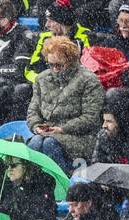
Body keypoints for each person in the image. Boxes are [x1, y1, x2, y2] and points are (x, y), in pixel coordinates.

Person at [27, 35, 104, 174]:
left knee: (50, 143)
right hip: (48, 133)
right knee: (35, 142)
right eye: (51, 65)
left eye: (59, 65)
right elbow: (33, 111)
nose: (55, 69)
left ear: (71, 61)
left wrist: (62, 129)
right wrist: (37, 126)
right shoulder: (42, 79)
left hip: (80, 136)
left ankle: (62, 183)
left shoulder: (89, 80)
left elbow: (91, 118)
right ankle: (36, 186)